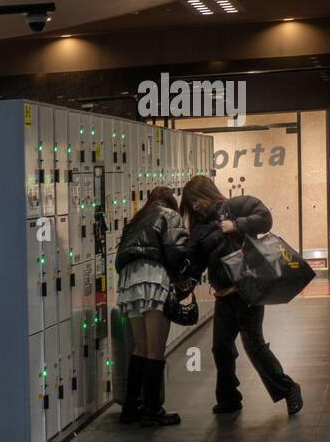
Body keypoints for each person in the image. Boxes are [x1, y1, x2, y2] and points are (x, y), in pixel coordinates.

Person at [180, 175, 303, 416]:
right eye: (190, 203)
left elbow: (265, 219)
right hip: (224, 295)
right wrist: (185, 283)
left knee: (253, 345)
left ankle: (289, 389)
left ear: (206, 194)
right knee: (221, 347)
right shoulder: (199, 230)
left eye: (196, 200)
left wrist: (237, 225)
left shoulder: (236, 206)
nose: (195, 206)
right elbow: (196, 263)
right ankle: (228, 398)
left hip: (249, 291)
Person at [114, 186, 190, 425]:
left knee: (141, 347)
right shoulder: (170, 215)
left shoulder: (137, 219)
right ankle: (152, 410)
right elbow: (177, 251)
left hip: (129, 281)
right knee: (156, 349)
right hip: (153, 277)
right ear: (170, 202)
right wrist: (183, 278)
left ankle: (131, 407)